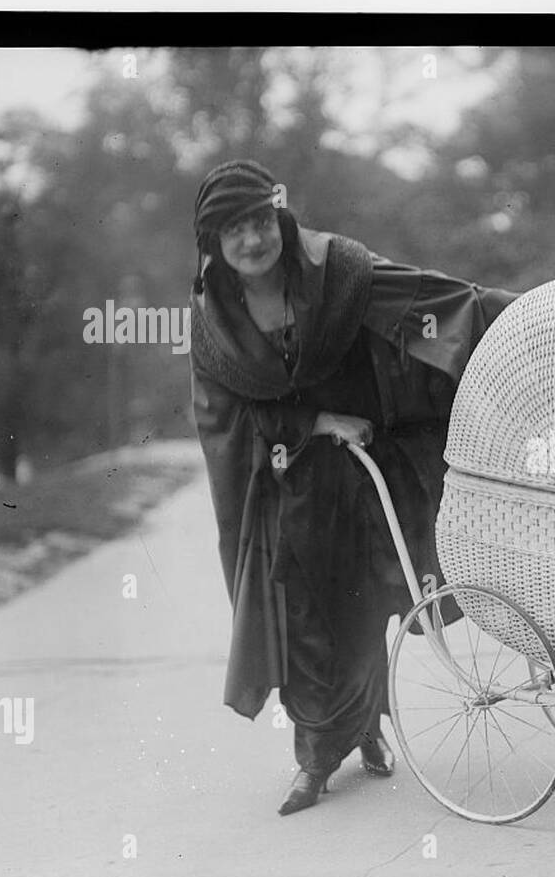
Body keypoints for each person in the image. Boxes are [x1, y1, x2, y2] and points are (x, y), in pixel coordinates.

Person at [188, 160, 518, 815]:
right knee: (305, 617)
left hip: (373, 469)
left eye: (259, 222)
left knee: (369, 603)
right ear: (214, 247)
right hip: (290, 484)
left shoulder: (339, 271)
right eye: (233, 232)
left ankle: (365, 728)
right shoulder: (212, 323)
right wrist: (314, 420)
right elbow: (224, 417)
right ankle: (315, 759)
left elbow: (442, 304)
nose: (251, 240)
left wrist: (532, 324)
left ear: (279, 218)